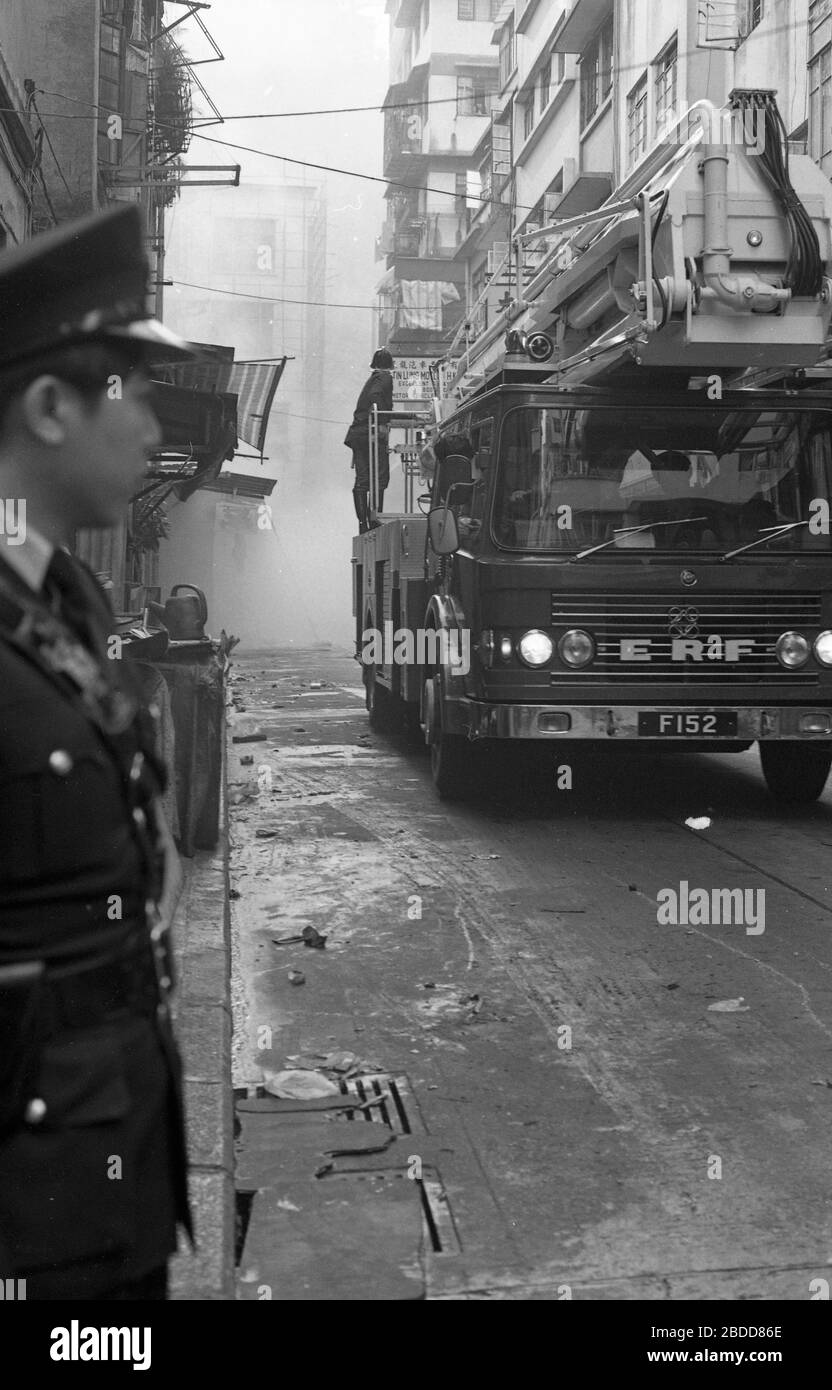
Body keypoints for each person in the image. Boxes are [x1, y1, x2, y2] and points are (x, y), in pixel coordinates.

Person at [0, 203, 194, 1300]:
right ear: (48, 406)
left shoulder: (60, 600)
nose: (156, 431)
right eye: (136, 394)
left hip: (102, 1175)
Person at [344, 348, 394, 532]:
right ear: (390, 364)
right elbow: (375, 397)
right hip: (371, 433)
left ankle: (362, 522)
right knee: (379, 478)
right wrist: (381, 421)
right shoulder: (385, 378)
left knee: (363, 479)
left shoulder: (372, 379)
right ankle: (374, 519)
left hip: (358, 434)